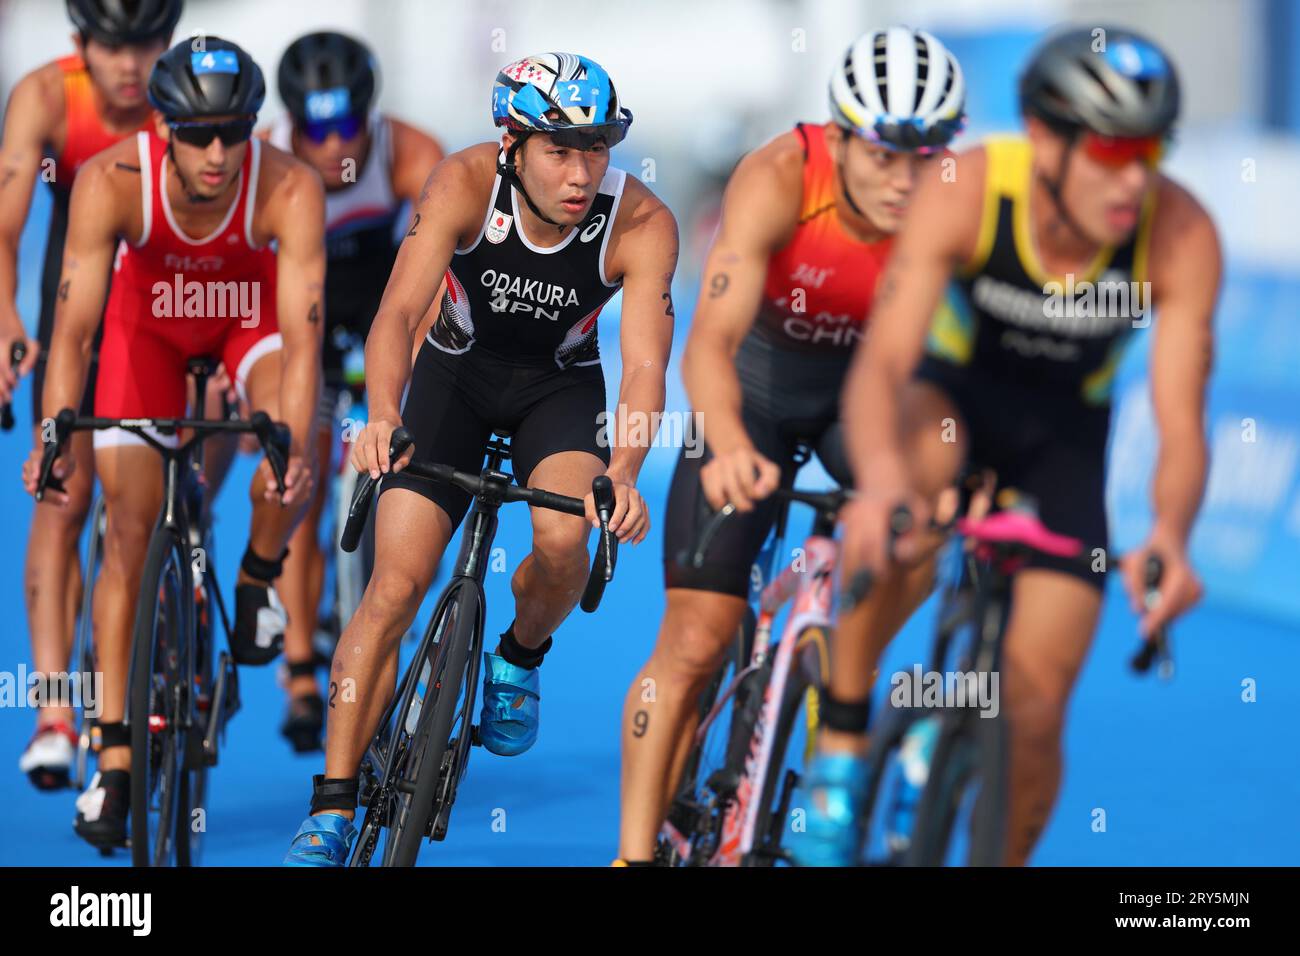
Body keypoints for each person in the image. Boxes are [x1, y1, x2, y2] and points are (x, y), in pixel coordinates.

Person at [799, 26, 1220, 866]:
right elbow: (883, 359)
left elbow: (1181, 421)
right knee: (907, 522)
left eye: (1151, 150)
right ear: (1044, 138)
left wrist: (1170, 537)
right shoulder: (966, 187)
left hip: (1064, 438)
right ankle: (841, 743)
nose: (1134, 178)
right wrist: (880, 483)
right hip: (948, 398)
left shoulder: (1181, 235)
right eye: (1110, 150)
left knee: (1032, 719)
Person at [282, 51, 679, 866]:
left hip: (558, 392)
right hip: (452, 380)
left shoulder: (641, 221)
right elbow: (395, 317)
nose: (582, 172)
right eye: (560, 151)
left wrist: (627, 472)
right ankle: (329, 807)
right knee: (393, 587)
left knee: (566, 541)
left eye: (597, 149)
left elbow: (643, 366)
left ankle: (519, 655)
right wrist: (382, 416)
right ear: (512, 145)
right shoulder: (463, 183)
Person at [615, 26, 967, 865]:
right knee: (696, 640)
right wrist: (729, 444)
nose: (904, 180)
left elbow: (964, 364)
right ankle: (630, 852)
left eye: (927, 157)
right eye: (884, 154)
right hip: (758, 387)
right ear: (841, 137)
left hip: (868, 397)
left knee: (928, 521)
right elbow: (708, 342)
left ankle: (846, 684)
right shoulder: (779, 177)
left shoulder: (955, 202)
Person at [22, 36, 326, 850]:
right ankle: (114, 761)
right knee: (127, 529)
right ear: (163, 129)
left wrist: (287, 445)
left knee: (301, 448)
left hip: (242, 322)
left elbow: (301, 342)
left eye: (235, 130)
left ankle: (260, 577)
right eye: (197, 134)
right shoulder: (110, 179)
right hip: (144, 331)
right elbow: (75, 331)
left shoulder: (290, 185)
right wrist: (57, 427)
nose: (219, 152)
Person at [0, 0, 181, 792]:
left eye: (145, 43)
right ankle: (56, 710)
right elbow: (4, 230)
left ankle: (167, 644)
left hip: (165, 301)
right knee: (63, 495)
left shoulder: (188, 103)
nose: (130, 63)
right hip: (75, 300)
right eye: (112, 45)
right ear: (81, 44)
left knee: (166, 488)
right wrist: (5, 315)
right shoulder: (45, 96)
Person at [265, 30, 445, 753]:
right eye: (317, 125)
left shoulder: (410, 152)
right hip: (300, 314)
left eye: (346, 125)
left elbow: (440, 271)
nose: (333, 140)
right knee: (299, 478)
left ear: (369, 116)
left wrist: (416, 367)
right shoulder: (267, 161)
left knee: (408, 477)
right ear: (292, 120)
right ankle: (302, 666)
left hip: (381, 314)